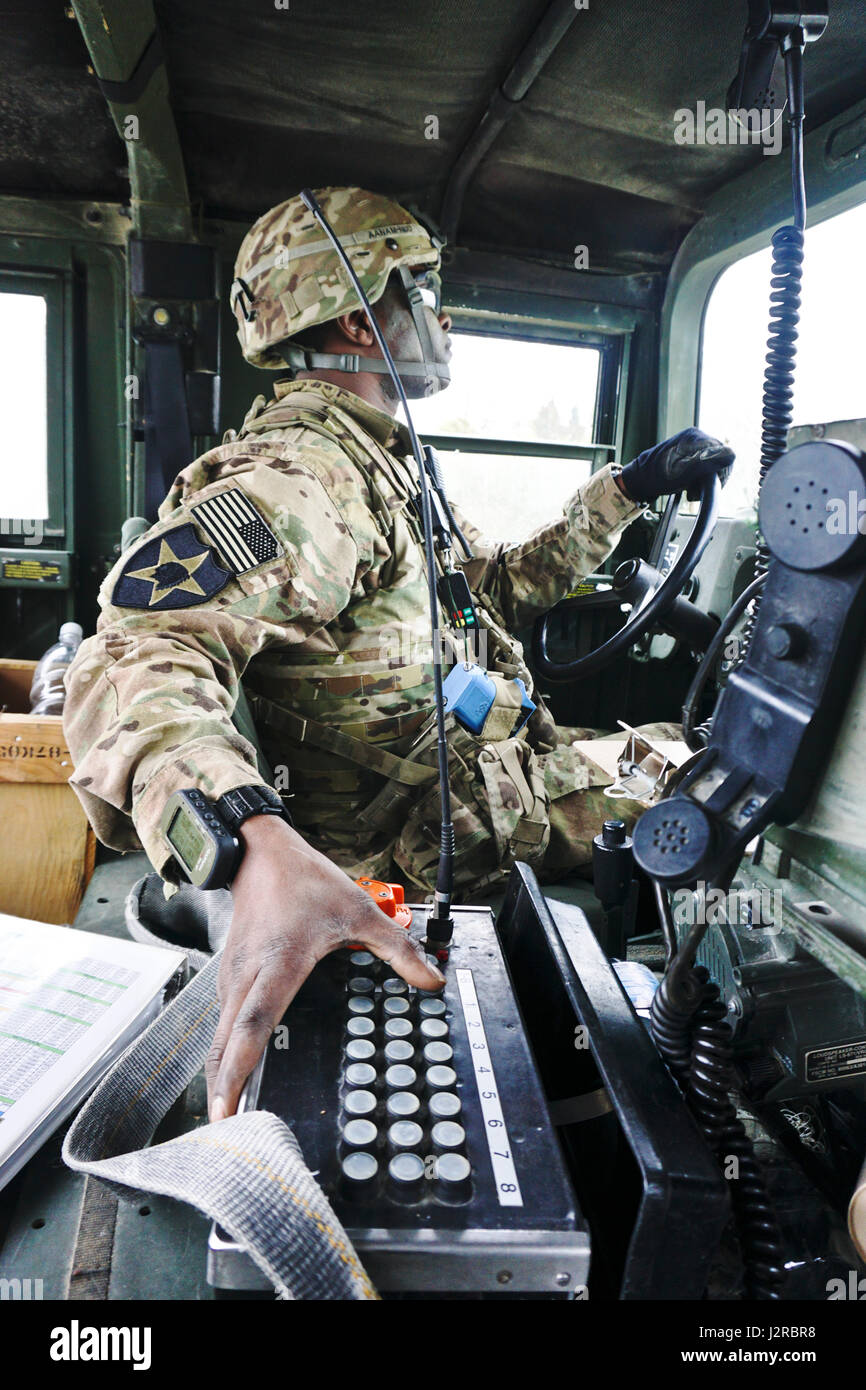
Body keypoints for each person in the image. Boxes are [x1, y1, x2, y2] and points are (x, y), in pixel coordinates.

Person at [63, 186, 732, 1122]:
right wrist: (246, 838)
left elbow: (483, 590)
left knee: (690, 745)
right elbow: (140, 648)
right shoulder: (308, 474)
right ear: (356, 315)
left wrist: (621, 494)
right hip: (427, 847)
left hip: (495, 773)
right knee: (727, 782)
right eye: (423, 287)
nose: (444, 316)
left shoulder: (381, 460)